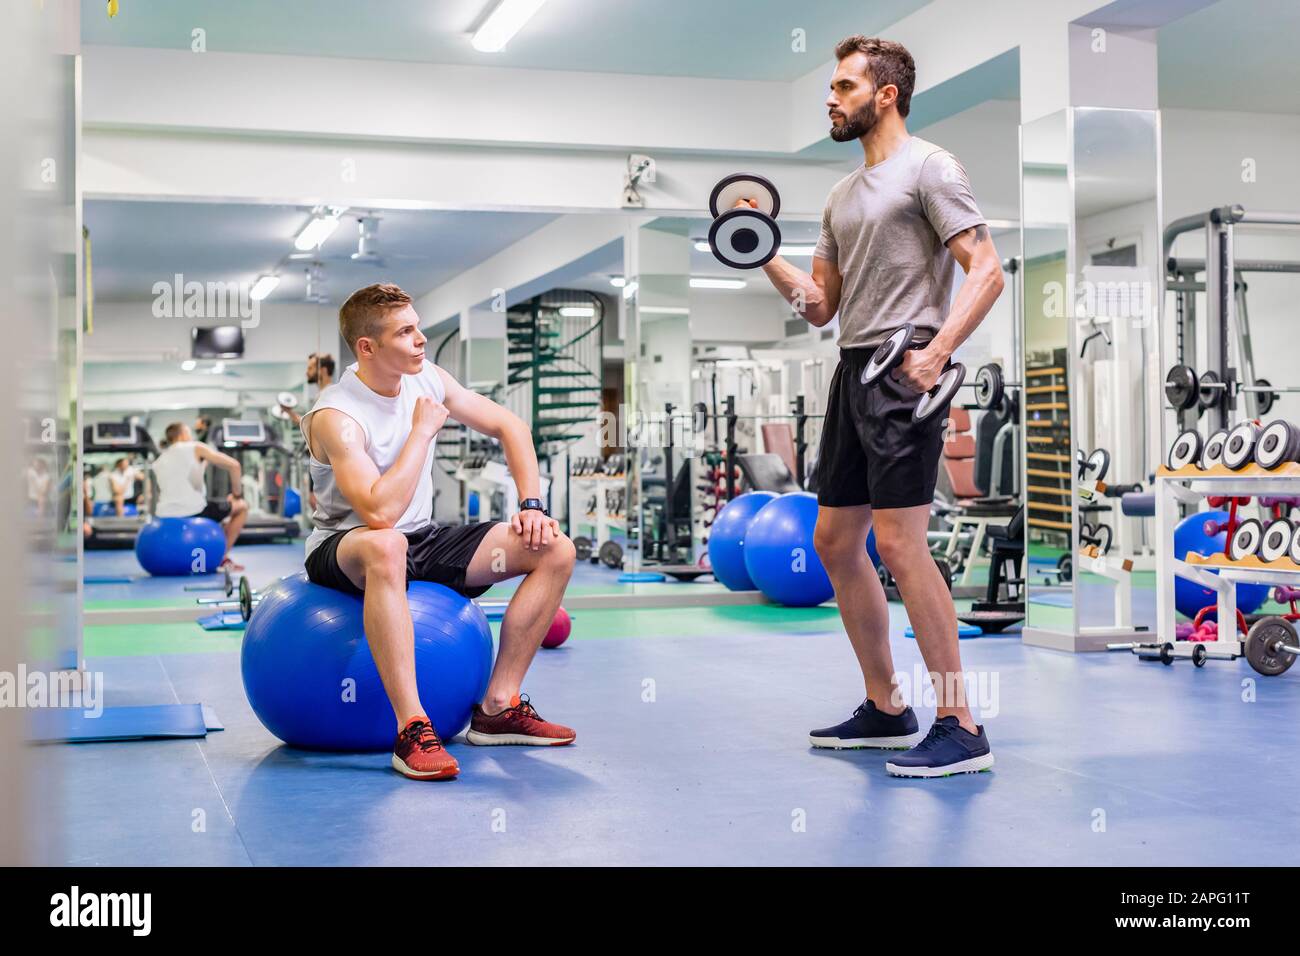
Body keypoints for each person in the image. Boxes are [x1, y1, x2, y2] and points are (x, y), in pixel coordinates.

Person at [745, 36, 1005, 777]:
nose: (830, 97)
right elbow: (821, 306)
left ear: (885, 94)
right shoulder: (839, 196)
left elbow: (985, 271)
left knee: (900, 544)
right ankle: (887, 705)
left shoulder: (931, 167)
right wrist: (761, 249)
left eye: (844, 85)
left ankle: (960, 720)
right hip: (854, 366)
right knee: (834, 541)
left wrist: (937, 351)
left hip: (904, 364)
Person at [300, 283, 575, 781]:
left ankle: (496, 707)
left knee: (555, 549)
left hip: (419, 537)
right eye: (405, 332)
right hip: (348, 545)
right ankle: (411, 728)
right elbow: (380, 512)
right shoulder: (336, 416)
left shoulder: (426, 377)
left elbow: (511, 426)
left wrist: (532, 505)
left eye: (417, 325)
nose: (421, 339)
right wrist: (423, 431)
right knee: (387, 543)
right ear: (368, 347)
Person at [153, 422, 250, 572]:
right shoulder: (195, 447)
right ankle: (222, 558)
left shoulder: (159, 460)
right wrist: (237, 495)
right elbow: (234, 465)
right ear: (183, 434)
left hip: (163, 515)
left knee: (219, 510)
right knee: (241, 507)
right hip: (193, 512)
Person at [281, 352, 335, 512]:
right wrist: (290, 413)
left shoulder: (330, 394)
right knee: (314, 500)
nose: (307, 372)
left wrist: (290, 413)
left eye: (311, 368)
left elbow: (315, 427)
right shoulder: (321, 394)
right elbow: (310, 425)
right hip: (318, 456)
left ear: (323, 370)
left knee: (318, 501)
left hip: (328, 458)